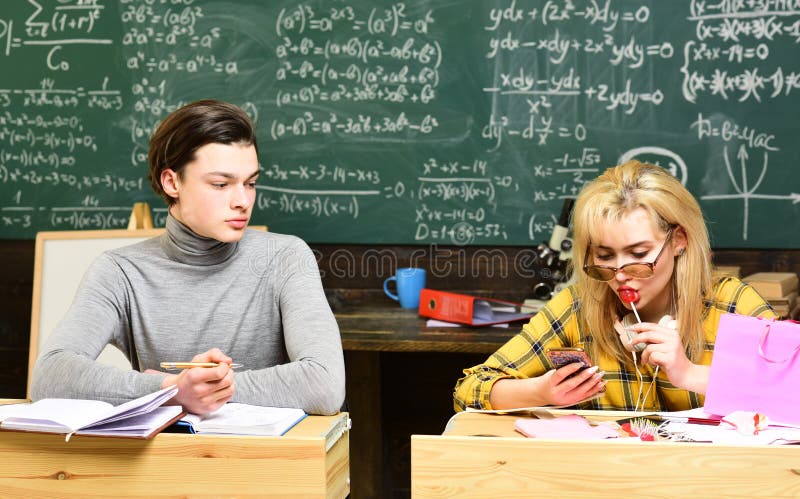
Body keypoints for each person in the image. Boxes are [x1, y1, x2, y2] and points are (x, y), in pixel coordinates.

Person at [31, 99, 346, 416]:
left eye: (250, 183)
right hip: (164, 461)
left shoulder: (285, 258)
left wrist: (201, 391)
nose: (242, 201)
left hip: (267, 460)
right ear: (172, 182)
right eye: (221, 184)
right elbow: (49, 377)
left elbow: (325, 383)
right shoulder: (120, 272)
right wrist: (169, 390)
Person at [453, 160, 775, 412]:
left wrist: (690, 373)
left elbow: (791, 393)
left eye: (638, 254)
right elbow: (470, 390)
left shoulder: (731, 306)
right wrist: (541, 391)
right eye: (604, 255)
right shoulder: (579, 307)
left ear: (679, 240)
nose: (620, 273)